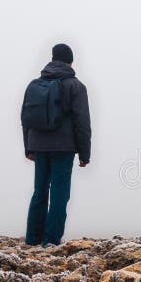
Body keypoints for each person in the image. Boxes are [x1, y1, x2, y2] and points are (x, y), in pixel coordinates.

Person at [21, 43, 91, 246]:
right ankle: (51, 241)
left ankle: (32, 239)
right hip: (63, 148)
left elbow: (25, 118)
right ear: (70, 61)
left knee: (39, 191)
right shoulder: (76, 86)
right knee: (60, 193)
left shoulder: (34, 84)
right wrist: (84, 154)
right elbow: (82, 122)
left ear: (52, 59)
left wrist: (29, 147)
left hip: (39, 147)